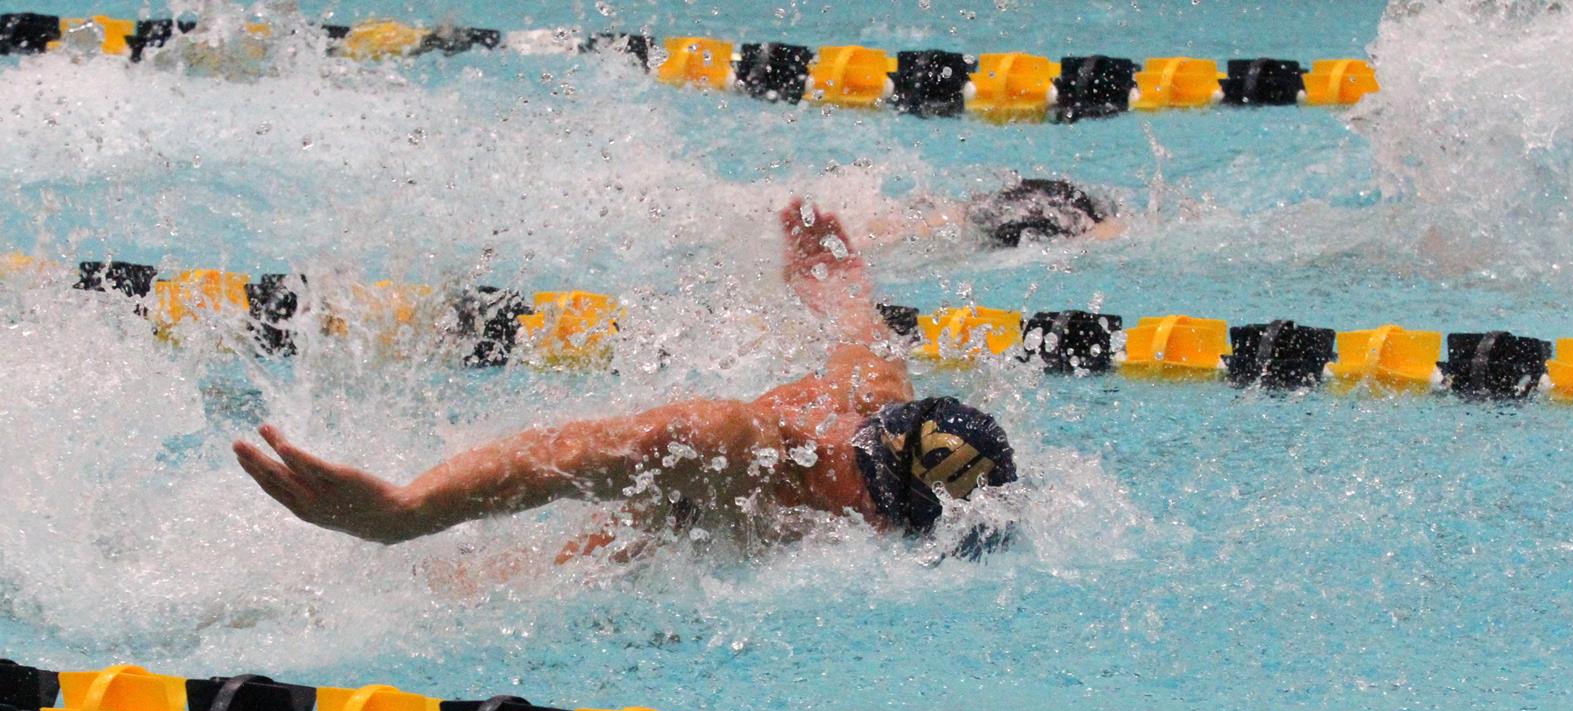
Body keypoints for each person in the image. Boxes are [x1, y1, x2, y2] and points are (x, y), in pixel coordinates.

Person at [233, 200, 1017, 558]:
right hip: (608, 558)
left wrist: (827, 273)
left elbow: (853, 316)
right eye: (878, 495)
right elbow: (577, 449)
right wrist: (405, 512)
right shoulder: (754, 446)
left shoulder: (881, 417)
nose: (883, 525)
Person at [857, 177, 1124, 252]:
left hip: (1029, 202)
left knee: (954, 215)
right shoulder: (1088, 220)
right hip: (1028, 209)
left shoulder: (1090, 210)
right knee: (954, 221)